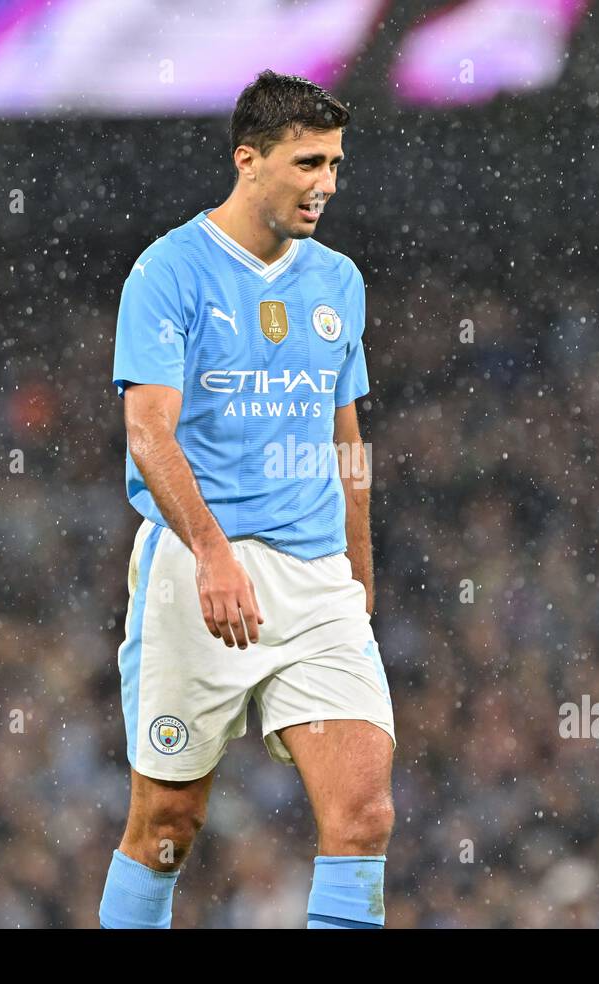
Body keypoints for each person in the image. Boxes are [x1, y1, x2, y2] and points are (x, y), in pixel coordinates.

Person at [100, 69, 395, 929]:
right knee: (167, 825)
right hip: (197, 572)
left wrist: (359, 575)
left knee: (364, 814)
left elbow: (348, 446)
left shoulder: (338, 282)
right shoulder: (169, 271)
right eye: (308, 163)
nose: (327, 185)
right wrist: (214, 554)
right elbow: (149, 431)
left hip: (316, 581)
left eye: (336, 164)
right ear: (249, 160)